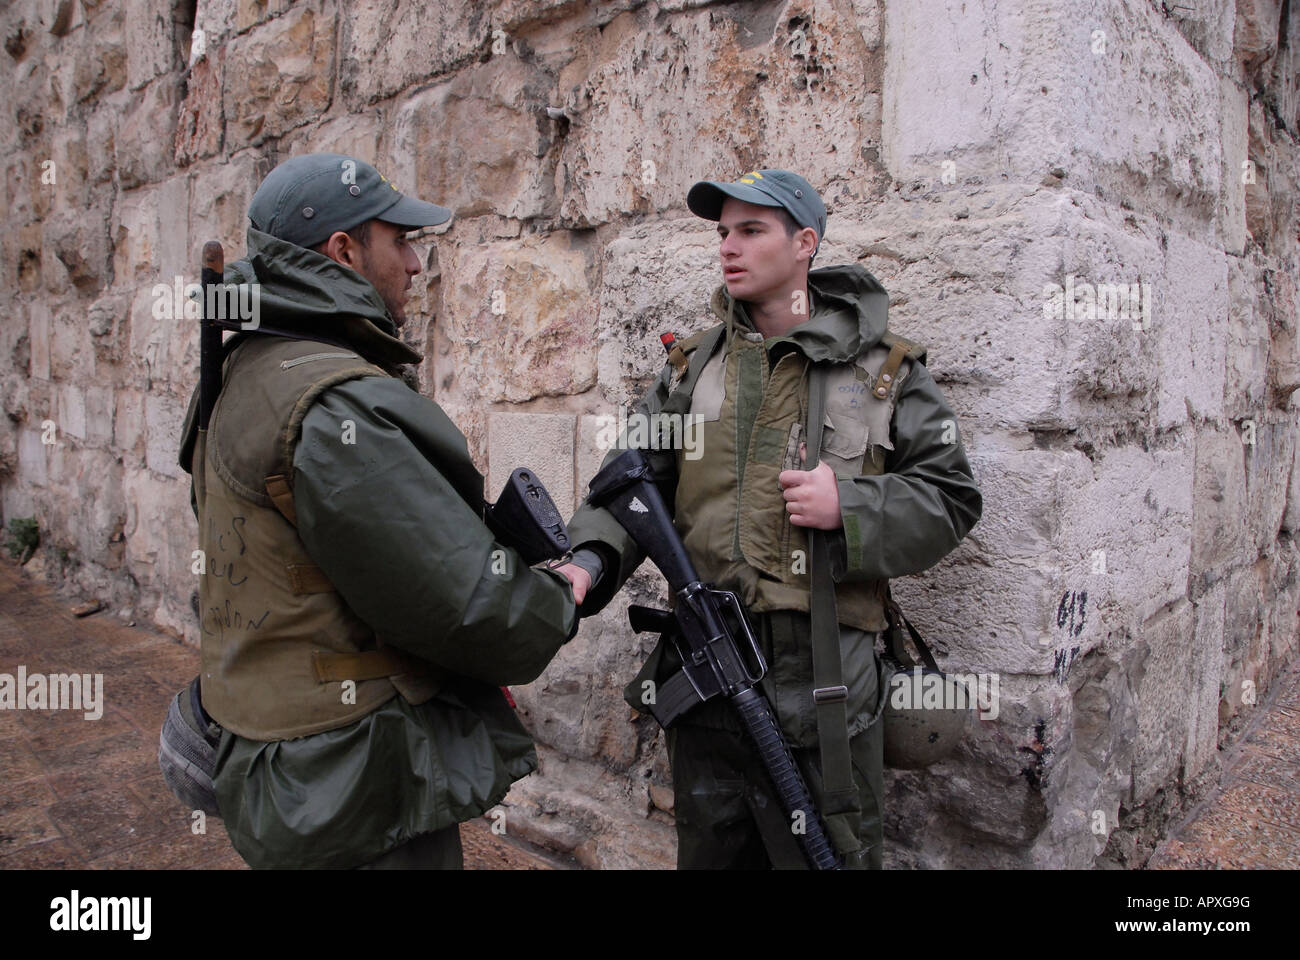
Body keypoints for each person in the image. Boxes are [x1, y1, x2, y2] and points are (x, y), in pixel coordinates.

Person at [555, 169, 982, 869]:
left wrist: (852, 506)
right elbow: (635, 480)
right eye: (723, 231)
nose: (729, 247)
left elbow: (952, 496)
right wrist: (588, 560)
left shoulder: (885, 372)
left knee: (827, 855)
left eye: (752, 230)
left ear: (805, 243)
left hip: (824, 686)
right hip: (706, 666)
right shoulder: (693, 370)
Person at [177, 153, 578, 869]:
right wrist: (557, 597)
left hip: (286, 769)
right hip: (352, 783)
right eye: (400, 241)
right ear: (344, 251)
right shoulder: (333, 406)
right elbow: (472, 606)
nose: (417, 264)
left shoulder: (246, 366)